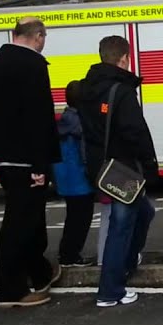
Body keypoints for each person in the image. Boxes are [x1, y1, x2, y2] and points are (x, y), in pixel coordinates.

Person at [0, 17, 61, 308]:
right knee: (20, 223)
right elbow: (40, 118)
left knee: (30, 219)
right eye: (44, 37)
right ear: (37, 36)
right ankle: (11, 291)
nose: (44, 42)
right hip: (25, 158)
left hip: (2, 154)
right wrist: (40, 165)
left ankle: (40, 272)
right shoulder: (32, 65)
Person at [78, 35, 159, 308]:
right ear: (124, 58)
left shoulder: (87, 89)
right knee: (121, 226)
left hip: (99, 167)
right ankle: (111, 290)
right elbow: (136, 132)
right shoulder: (121, 91)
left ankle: (125, 261)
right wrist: (150, 166)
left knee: (143, 212)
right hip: (122, 168)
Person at [52, 80, 95, 267]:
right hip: (79, 179)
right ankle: (71, 255)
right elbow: (85, 152)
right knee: (81, 218)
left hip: (66, 179)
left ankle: (66, 254)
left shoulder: (65, 118)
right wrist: (92, 172)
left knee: (73, 217)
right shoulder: (80, 122)